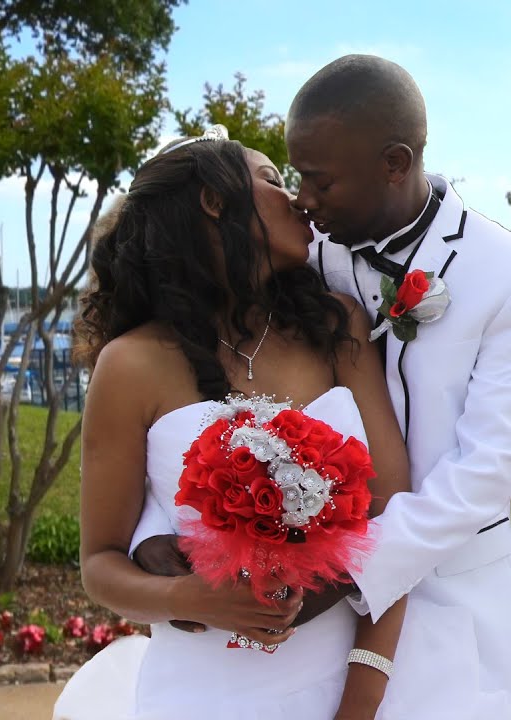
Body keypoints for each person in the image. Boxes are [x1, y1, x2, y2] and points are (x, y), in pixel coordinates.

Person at [133, 55, 511, 717]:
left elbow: (488, 470)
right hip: (317, 644)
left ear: (394, 162)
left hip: (453, 610)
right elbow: (227, 392)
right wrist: (165, 531)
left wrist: (339, 567)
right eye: (295, 174)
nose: (302, 198)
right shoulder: (310, 249)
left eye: (319, 180)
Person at [54, 129, 488, 719]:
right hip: (199, 694)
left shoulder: (335, 328)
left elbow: (396, 520)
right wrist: (190, 597)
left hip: (340, 684)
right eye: (271, 180)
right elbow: (100, 564)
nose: (298, 200)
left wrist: (359, 703)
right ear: (213, 200)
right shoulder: (130, 364)